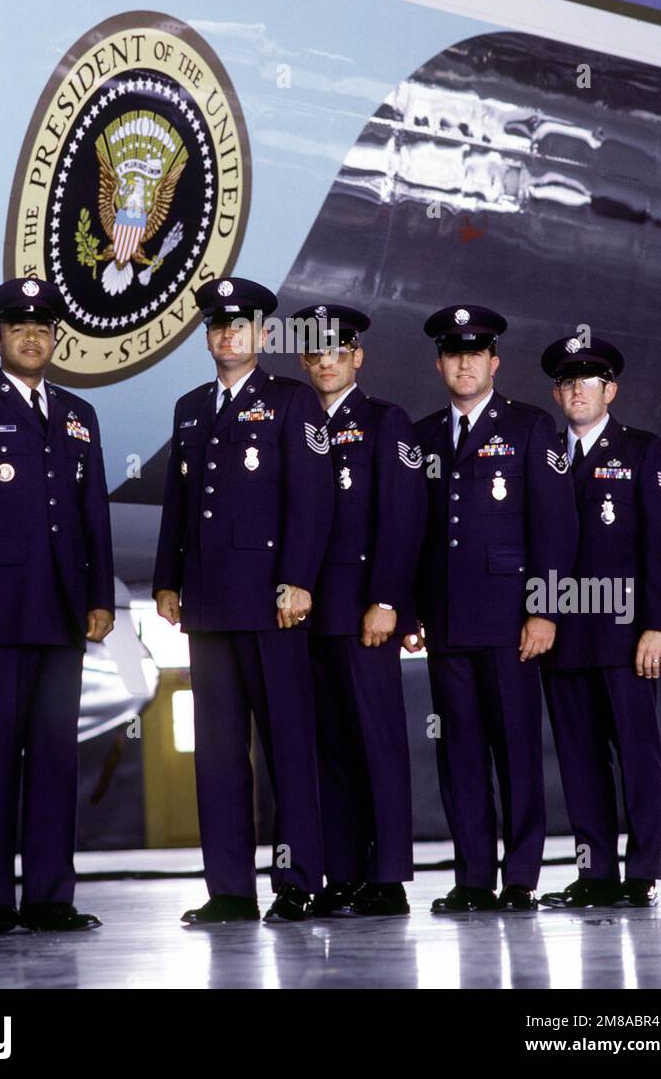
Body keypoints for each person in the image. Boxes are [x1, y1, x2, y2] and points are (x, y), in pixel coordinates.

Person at [0, 277, 114, 934]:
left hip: (63, 613)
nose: (32, 339)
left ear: (54, 338)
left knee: (57, 757)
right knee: (0, 754)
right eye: (18, 329)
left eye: (42, 329)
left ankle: (50, 897)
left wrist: (100, 596)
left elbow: (93, 515)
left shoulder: (78, 415)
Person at [152, 277, 334, 924]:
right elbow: (180, 503)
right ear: (208, 337)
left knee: (287, 748)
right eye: (218, 326)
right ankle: (229, 889)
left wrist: (300, 580)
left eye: (240, 325)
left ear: (262, 335)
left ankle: (298, 880)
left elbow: (313, 500)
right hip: (208, 605)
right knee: (218, 754)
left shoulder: (291, 401)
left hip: (270, 603)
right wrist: (166, 581)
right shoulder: (191, 408)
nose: (228, 335)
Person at [414, 304, 578, 912]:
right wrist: (411, 610)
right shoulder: (423, 437)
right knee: (459, 755)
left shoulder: (530, 427)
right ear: (440, 364)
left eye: (475, 354)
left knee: (516, 752)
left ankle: (521, 879)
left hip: (512, 622)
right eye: (454, 355)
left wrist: (545, 611)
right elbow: (412, 532)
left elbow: (556, 526)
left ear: (494, 362)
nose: (465, 365)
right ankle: (474, 880)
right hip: (447, 621)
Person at [539, 335, 661, 908]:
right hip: (564, 635)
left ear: (611, 391)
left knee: (637, 755)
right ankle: (595, 872)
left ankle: (642, 872)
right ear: (557, 393)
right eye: (567, 382)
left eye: (589, 381)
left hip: (627, 636)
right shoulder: (543, 455)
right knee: (579, 761)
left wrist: (659, 626)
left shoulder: (644, 452)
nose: (577, 390)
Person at [295, 303, 427, 918]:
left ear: (357, 358)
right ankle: (343, 872)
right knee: (329, 749)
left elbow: (404, 517)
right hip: (306, 616)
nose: (327, 362)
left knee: (377, 743)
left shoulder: (384, 422)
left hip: (364, 612)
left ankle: (388, 876)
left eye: (338, 352)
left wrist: (389, 601)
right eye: (316, 353)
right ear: (304, 360)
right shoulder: (294, 422)